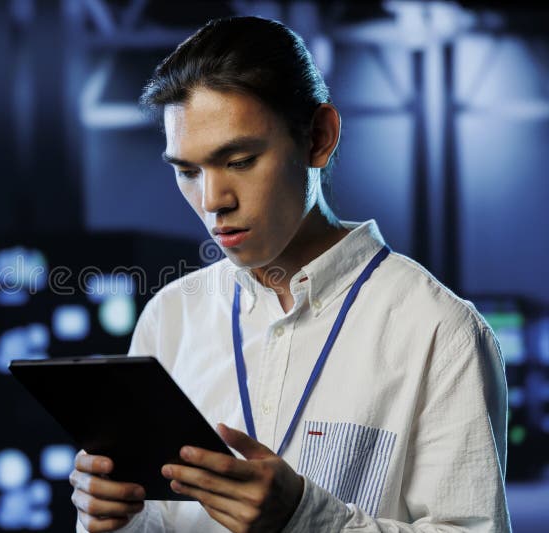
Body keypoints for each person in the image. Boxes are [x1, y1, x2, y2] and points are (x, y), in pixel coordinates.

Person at [69, 16, 510, 533]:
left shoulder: (439, 332)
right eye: (187, 171)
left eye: (238, 159)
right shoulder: (170, 318)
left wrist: (305, 519)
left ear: (318, 138)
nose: (213, 202)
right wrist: (112, 518)